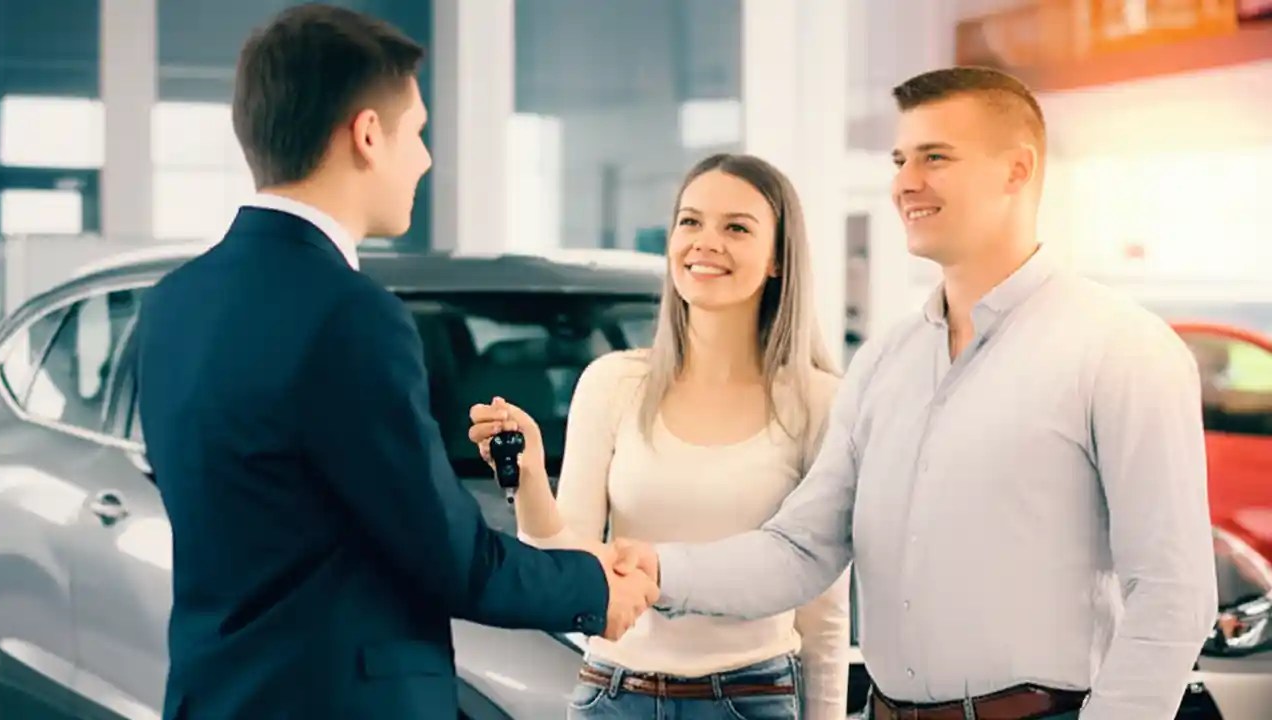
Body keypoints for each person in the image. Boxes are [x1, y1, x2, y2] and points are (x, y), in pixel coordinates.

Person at [476, 67, 1221, 719]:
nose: (904, 181)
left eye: (936, 157)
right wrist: (662, 568)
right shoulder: (888, 362)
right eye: (900, 158)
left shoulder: (1120, 349)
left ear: (1016, 171)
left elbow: (1173, 596)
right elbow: (802, 548)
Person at [135, 5, 657, 719]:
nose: (426, 157)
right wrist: (596, 587)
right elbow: (448, 555)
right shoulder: (351, 313)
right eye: (417, 131)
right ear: (368, 135)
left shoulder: (172, 303)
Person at [468, 153, 852, 719]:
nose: (705, 242)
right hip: (611, 695)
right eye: (690, 222)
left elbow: (823, 609)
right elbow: (563, 567)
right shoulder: (613, 383)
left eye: (737, 228)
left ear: (777, 259)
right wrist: (528, 480)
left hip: (752, 700)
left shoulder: (821, 401)